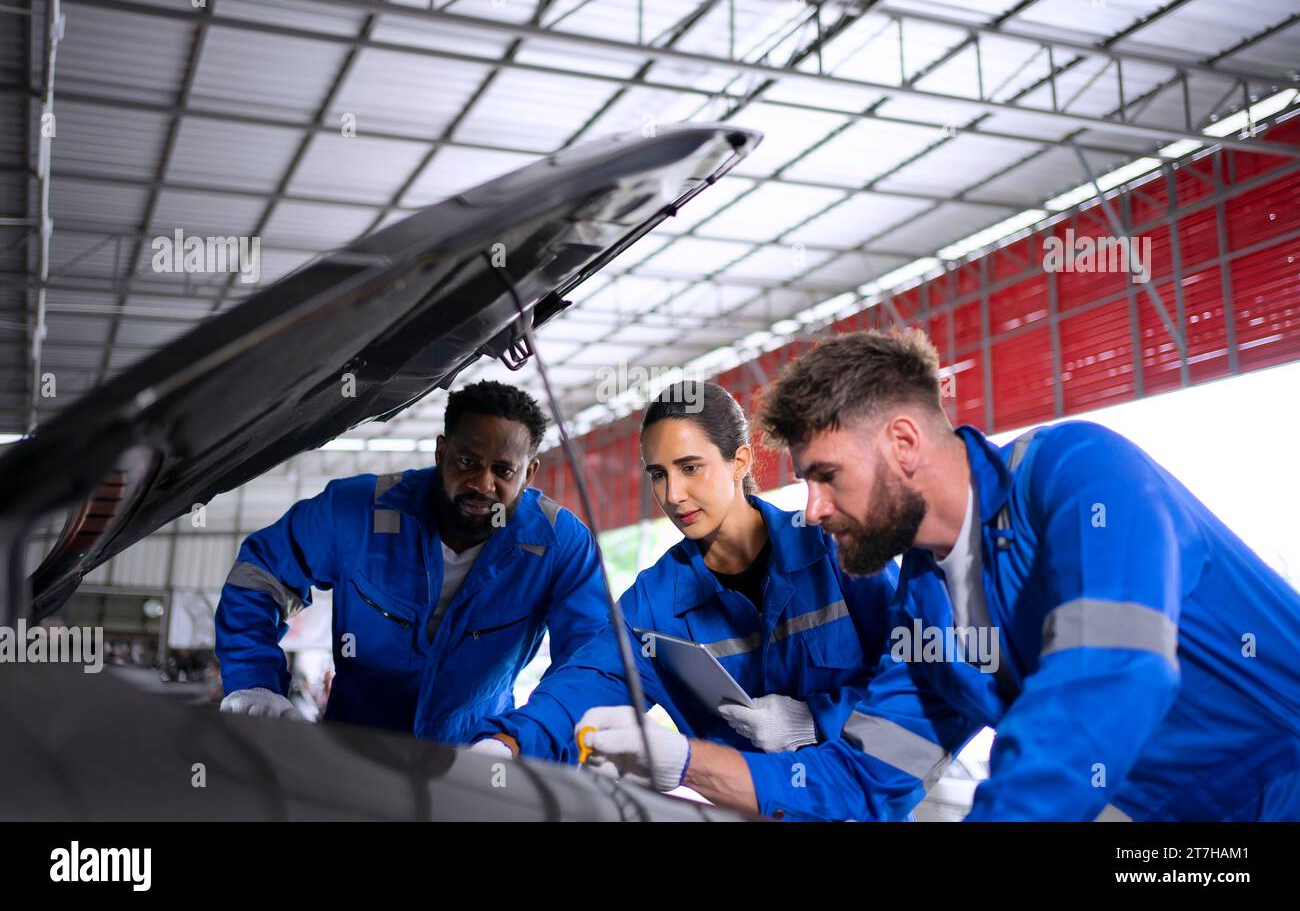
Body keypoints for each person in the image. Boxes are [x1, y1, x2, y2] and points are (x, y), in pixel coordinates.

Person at [585, 329, 1300, 820]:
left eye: (827, 476)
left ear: (902, 442)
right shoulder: (926, 616)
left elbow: (1111, 675)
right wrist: (680, 759)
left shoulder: (1081, 475)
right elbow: (862, 783)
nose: (813, 508)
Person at [470, 381, 898, 819]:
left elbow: (917, 685)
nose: (672, 495)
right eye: (658, 474)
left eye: (690, 468)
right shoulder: (655, 604)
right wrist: (507, 744)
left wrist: (815, 720)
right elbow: (584, 682)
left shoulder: (836, 552)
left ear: (739, 462)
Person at [215, 380, 609, 742]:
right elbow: (261, 574)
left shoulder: (561, 546)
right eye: (467, 462)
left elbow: (588, 660)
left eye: (503, 470)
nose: (482, 484)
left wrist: (519, 741)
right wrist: (255, 682)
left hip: (476, 761)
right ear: (442, 452)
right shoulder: (355, 512)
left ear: (529, 474)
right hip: (351, 751)